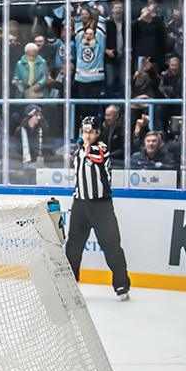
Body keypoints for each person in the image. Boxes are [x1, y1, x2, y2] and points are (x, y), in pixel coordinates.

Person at [65, 116, 130, 301]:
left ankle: (121, 285)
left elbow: (98, 158)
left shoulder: (101, 148)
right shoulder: (78, 151)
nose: (88, 135)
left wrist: (86, 147)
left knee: (111, 246)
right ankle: (69, 286)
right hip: (80, 205)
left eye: (91, 132)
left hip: (101, 206)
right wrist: (81, 147)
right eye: (85, 131)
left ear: (98, 133)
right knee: (73, 247)